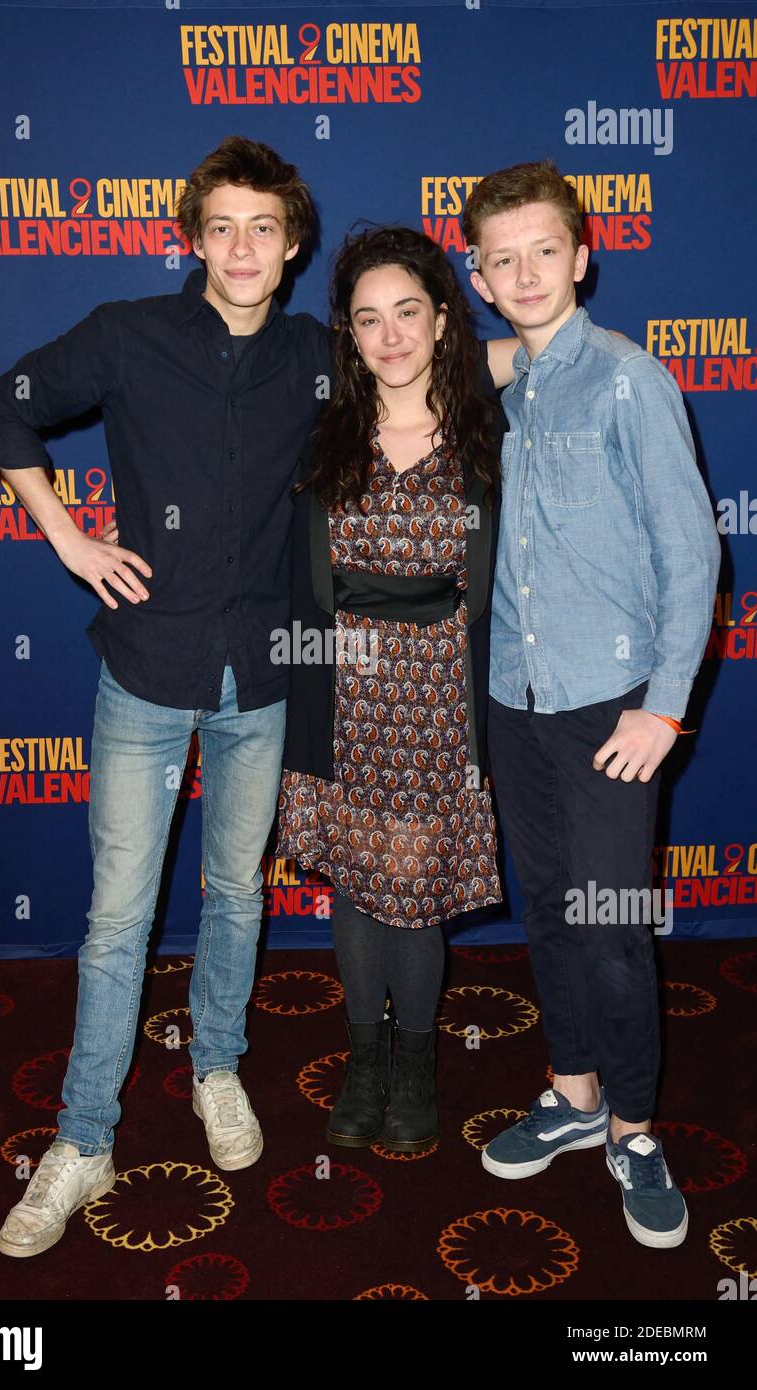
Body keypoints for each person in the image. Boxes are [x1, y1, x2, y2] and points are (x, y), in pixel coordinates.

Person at [0, 135, 332, 1258]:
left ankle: (215, 1067)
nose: (240, 246)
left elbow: (434, 367)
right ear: (191, 238)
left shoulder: (320, 356)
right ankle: (85, 1136)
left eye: (262, 227)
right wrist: (71, 539)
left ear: (290, 247)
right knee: (118, 918)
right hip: (143, 669)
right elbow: (2, 409)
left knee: (236, 892)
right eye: (220, 225)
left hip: (262, 675)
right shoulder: (127, 334)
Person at [461, 160, 721, 1247]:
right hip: (512, 703)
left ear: (581, 257)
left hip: (610, 707)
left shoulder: (625, 377)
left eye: (541, 250)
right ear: (475, 275)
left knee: (612, 932)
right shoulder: (496, 385)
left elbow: (693, 549)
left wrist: (662, 709)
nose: (522, 271)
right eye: (498, 257)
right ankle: (571, 1097)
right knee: (553, 912)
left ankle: (633, 1127)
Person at [277, 226, 515, 1153]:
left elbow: (546, 339)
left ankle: (416, 1065)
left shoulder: (491, 422)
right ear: (348, 333)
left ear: (444, 317)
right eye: (368, 320)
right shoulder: (324, 425)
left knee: (413, 893)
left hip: (442, 688)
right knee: (356, 885)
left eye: (408, 312)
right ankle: (363, 1061)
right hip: (342, 687)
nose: (390, 336)